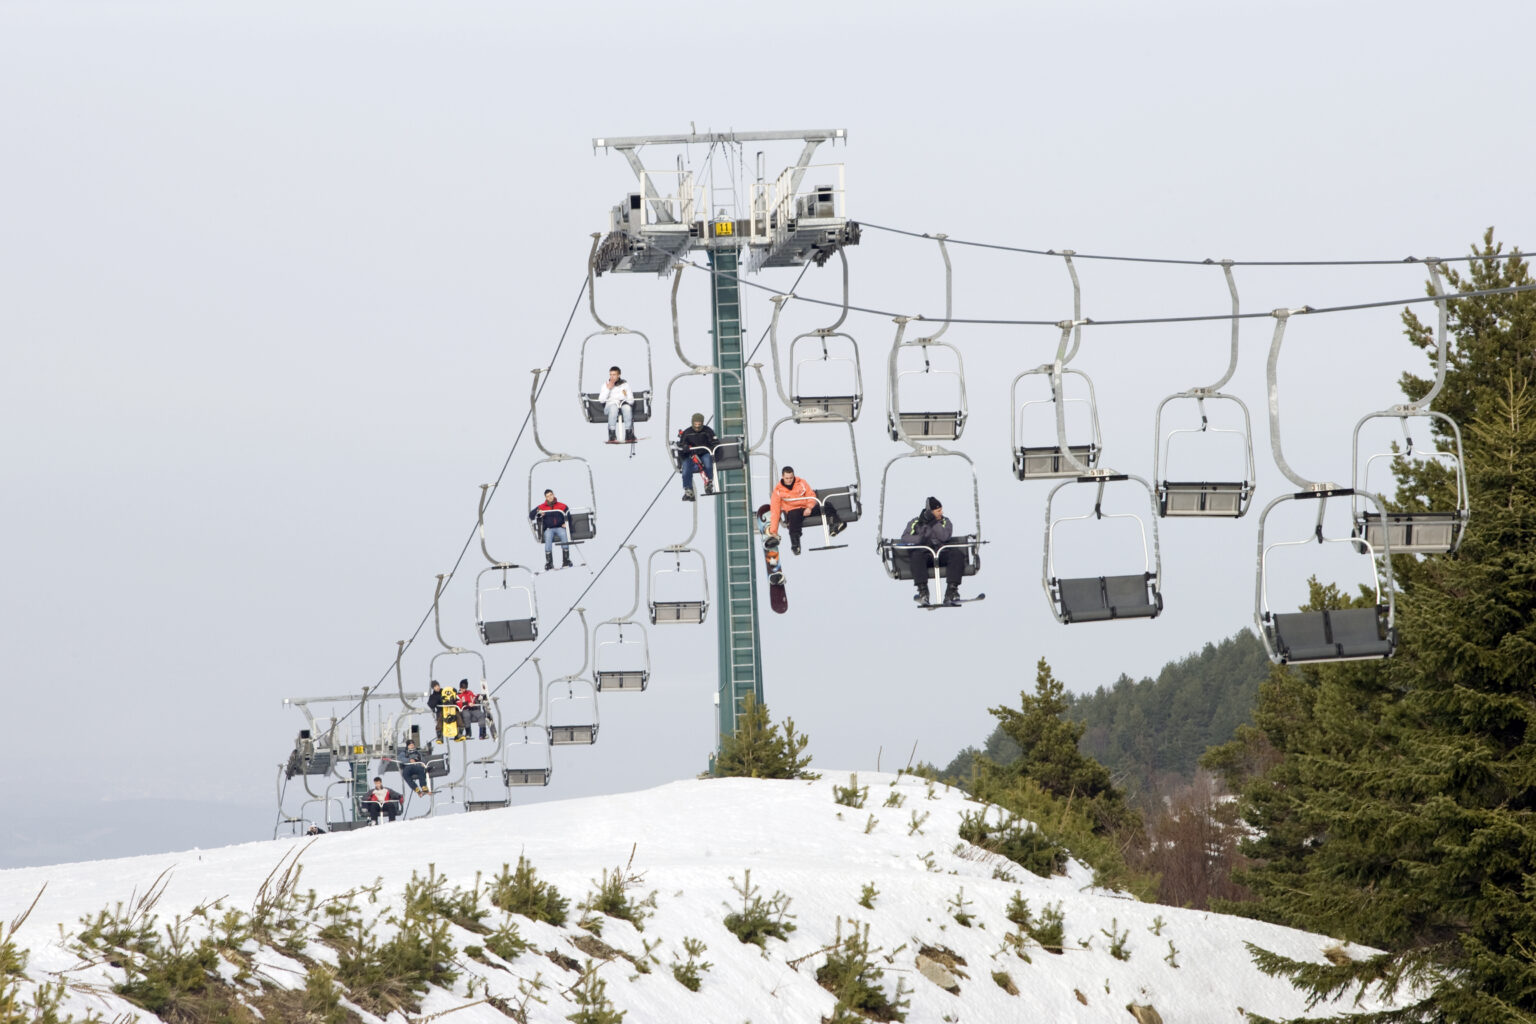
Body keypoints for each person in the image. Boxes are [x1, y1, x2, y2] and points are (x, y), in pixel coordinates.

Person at [897, 496, 964, 606]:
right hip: (925, 555)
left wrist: (933, 523)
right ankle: (923, 592)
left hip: (941, 554)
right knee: (916, 556)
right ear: (930, 511)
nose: (941, 513)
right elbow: (905, 537)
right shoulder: (916, 522)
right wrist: (919, 539)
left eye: (941, 510)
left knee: (957, 555)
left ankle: (951, 592)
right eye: (938, 511)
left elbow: (944, 536)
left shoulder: (945, 522)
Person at [767, 465, 846, 556]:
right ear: (783, 477)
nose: (789, 480)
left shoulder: (801, 483)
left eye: (791, 478)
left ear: (794, 476)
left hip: (806, 508)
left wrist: (809, 507)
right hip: (794, 511)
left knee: (826, 505)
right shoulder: (778, 491)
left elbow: (811, 495)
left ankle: (837, 524)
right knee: (793, 517)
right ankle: (795, 545)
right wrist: (774, 532)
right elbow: (775, 511)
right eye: (787, 478)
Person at [529, 489, 573, 570]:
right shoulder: (542, 507)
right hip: (549, 528)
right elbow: (531, 516)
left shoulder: (562, 506)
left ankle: (566, 559)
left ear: (553, 495)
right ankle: (549, 562)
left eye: (551, 495)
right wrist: (538, 512)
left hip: (560, 527)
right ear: (545, 497)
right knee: (548, 537)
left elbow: (569, 517)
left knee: (564, 534)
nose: (550, 497)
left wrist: (566, 524)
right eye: (547, 496)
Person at [675, 413, 716, 500]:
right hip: (692, 455)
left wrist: (711, 451)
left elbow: (715, 443)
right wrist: (685, 449)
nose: (697, 426)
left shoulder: (708, 431)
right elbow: (681, 446)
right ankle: (688, 489)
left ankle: (708, 483)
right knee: (686, 467)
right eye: (696, 424)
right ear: (692, 423)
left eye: (699, 424)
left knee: (708, 463)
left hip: (705, 453)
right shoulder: (687, 433)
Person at [597, 366, 636, 442]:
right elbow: (601, 400)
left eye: (614, 375)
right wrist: (608, 389)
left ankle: (629, 433)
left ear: (619, 375)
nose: (612, 377)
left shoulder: (625, 385)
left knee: (627, 408)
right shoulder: (605, 385)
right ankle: (612, 434)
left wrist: (624, 400)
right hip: (610, 407)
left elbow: (631, 400)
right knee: (614, 408)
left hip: (622, 406)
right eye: (610, 375)